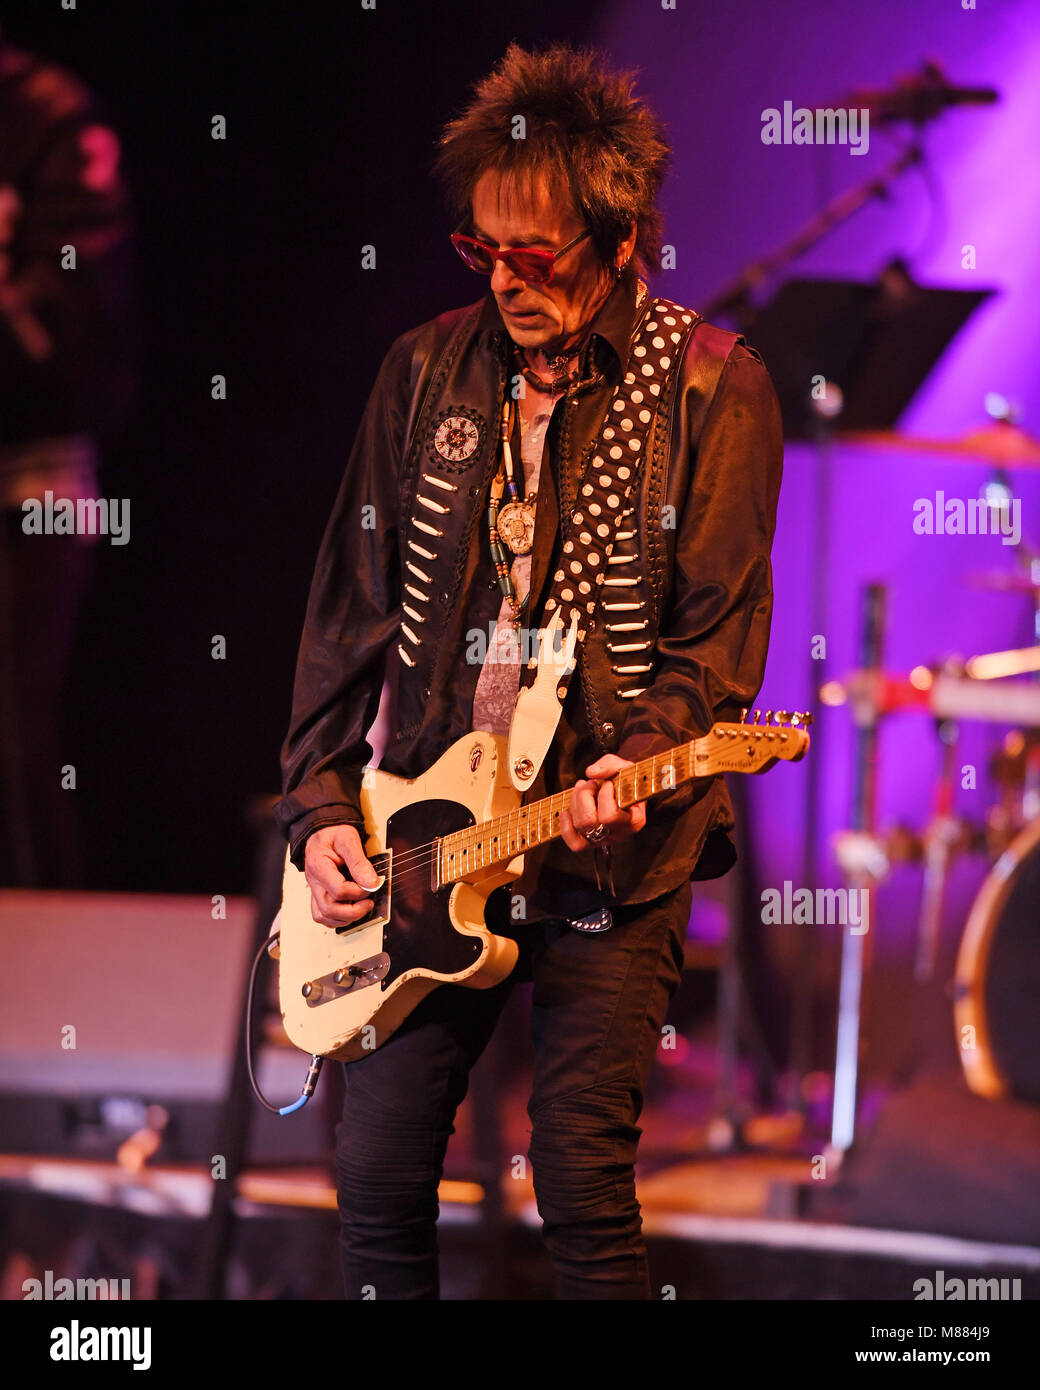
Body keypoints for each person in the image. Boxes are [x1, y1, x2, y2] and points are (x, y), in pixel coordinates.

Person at [275, 42, 783, 1299]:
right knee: (380, 1183)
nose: (505, 279)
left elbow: (715, 640)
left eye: (535, 254)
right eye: (481, 251)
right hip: (430, 832)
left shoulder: (713, 387)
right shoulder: (421, 373)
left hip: (605, 845)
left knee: (580, 1189)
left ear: (618, 240)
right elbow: (346, 613)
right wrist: (324, 806)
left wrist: (642, 748)